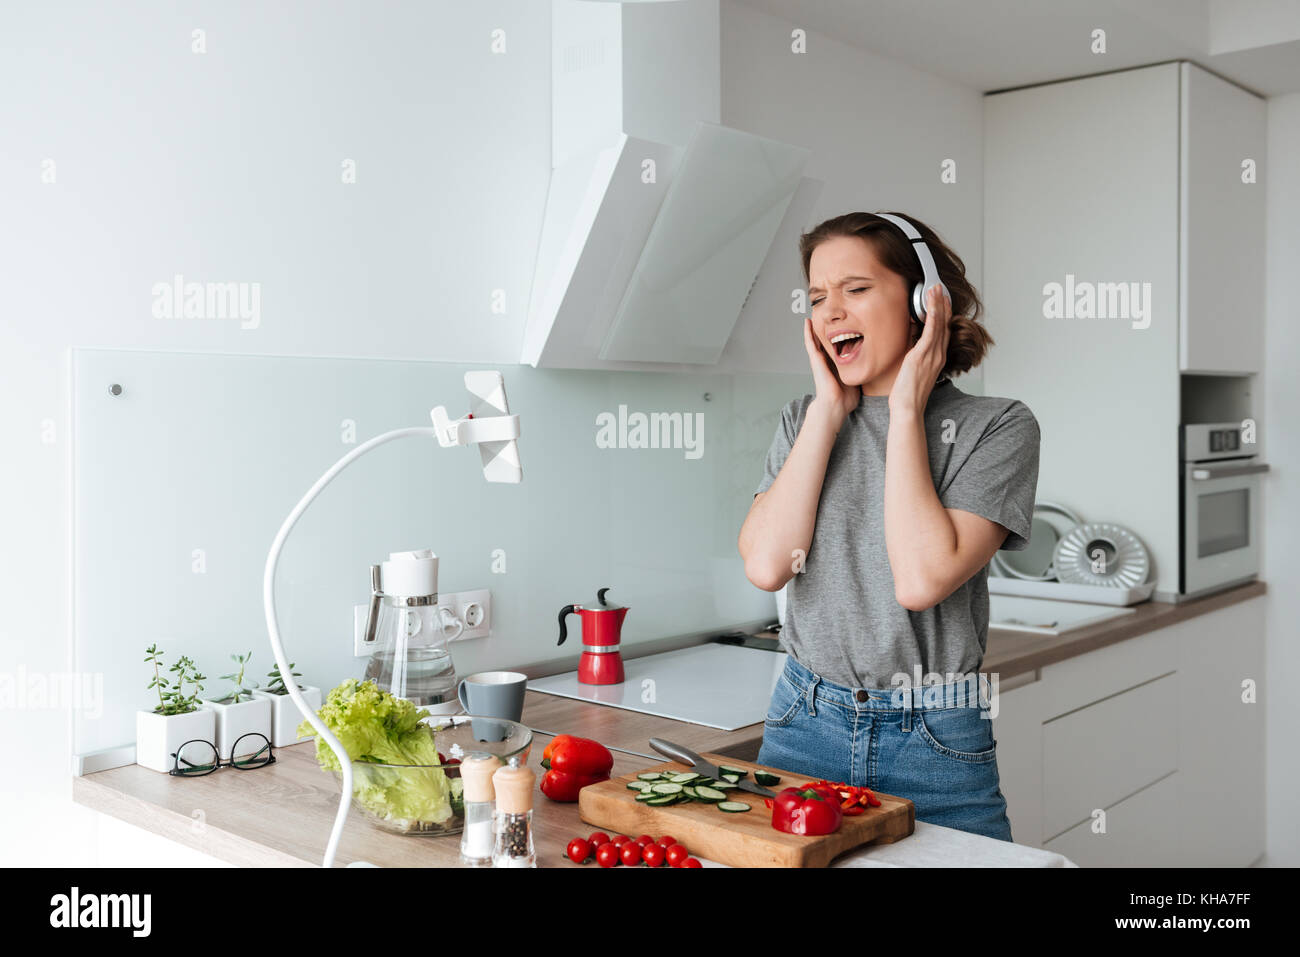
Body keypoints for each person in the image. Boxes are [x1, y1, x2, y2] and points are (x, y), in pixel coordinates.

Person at [737, 211, 1040, 842]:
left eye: (856, 288)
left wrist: (905, 408)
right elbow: (768, 566)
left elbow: (921, 579)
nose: (831, 311)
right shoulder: (804, 422)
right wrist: (828, 410)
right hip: (804, 723)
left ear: (927, 302)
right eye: (818, 297)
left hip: (935, 737)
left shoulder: (998, 426)